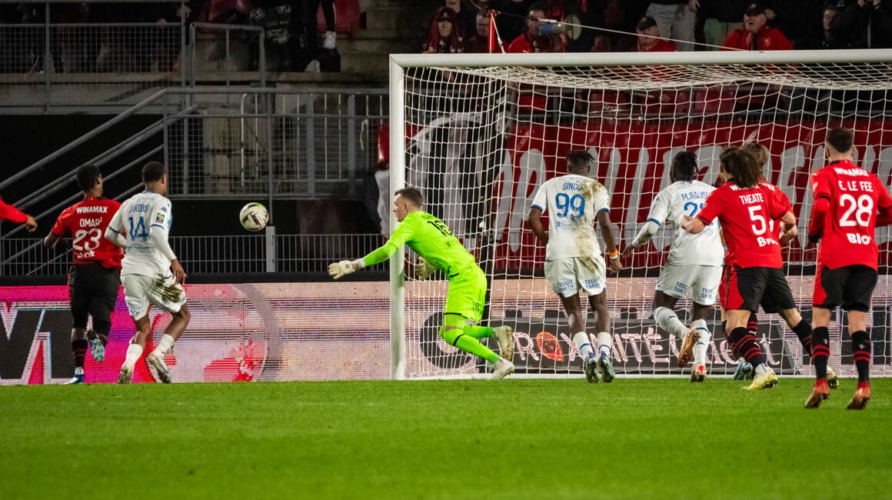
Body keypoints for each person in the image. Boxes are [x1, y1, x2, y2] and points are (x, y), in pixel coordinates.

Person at [328, 187, 516, 380]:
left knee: (451, 335)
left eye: (396, 206)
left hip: (463, 278)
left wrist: (355, 264)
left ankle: (499, 363)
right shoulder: (431, 220)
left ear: (405, 205)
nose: (394, 210)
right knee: (448, 330)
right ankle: (496, 332)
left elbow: (387, 251)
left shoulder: (410, 223)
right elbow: (445, 250)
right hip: (475, 274)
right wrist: (430, 266)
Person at [680, 147, 798, 390]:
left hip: (743, 263)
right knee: (792, 318)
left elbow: (715, 230)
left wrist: (688, 225)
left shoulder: (727, 190)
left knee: (732, 324)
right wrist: (778, 239)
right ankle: (822, 368)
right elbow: (792, 228)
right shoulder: (771, 191)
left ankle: (754, 364)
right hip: (772, 263)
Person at [805, 128, 892, 410]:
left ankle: (820, 382)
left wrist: (814, 232)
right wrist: (865, 227)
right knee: (857, 323)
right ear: (853, 151)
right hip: (866, 258)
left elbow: (820, 206)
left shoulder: (823, 175)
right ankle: (864, 385)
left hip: (835, 256)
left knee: (821, 317)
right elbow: (890, 211)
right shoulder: (871, 178)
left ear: (826, 151)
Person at [624, 151, 721, 382]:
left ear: (671, 172)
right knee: (700, 314)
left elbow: (650, 229)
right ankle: (699, 364)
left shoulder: (668, 193)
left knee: (661, 305)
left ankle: (683, 333)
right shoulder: (714, 192)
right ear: (697, 172)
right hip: (715, 256)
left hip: (686, 253)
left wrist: (634, 245)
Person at [527, 151, 622, 383]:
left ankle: (587, 355)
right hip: (587, 250)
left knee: (573, 310)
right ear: (588, 167)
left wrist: (547, 240)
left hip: (559, 253)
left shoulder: (550, 184)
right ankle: (604, 354)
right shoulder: (596, 187)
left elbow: (533, 218)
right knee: (599, 304)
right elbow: (605, 225)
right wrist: (613, 255)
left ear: (568, 165)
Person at [104, 161, 190, 384]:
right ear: (163, 179)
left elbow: (110, 234)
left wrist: (130, 244)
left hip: (130, 272)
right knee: (182, 315)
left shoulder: (128, 203)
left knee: (142, 328)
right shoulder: (162, 202)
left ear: (144, 181)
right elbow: (156, 232)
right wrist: (173, 260)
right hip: (154, 271)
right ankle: (158, 353)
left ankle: (128, 364)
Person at [43, 165, 123, 384]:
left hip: (80, 273)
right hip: (105, 272)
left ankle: (78, 372)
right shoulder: (115, 209)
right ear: (98, 181)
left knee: (78, 323)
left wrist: (64, 240)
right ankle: (98, 338)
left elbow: (48, 242)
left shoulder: (70, 211)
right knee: (102, 323)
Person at [722, 2, 792, 51]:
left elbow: (792, 60)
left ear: (763, 19)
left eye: (755, 15)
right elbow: (719, 63)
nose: (750, 18)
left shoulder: (774, 35)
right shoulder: (736, 36)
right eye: (748, 15)